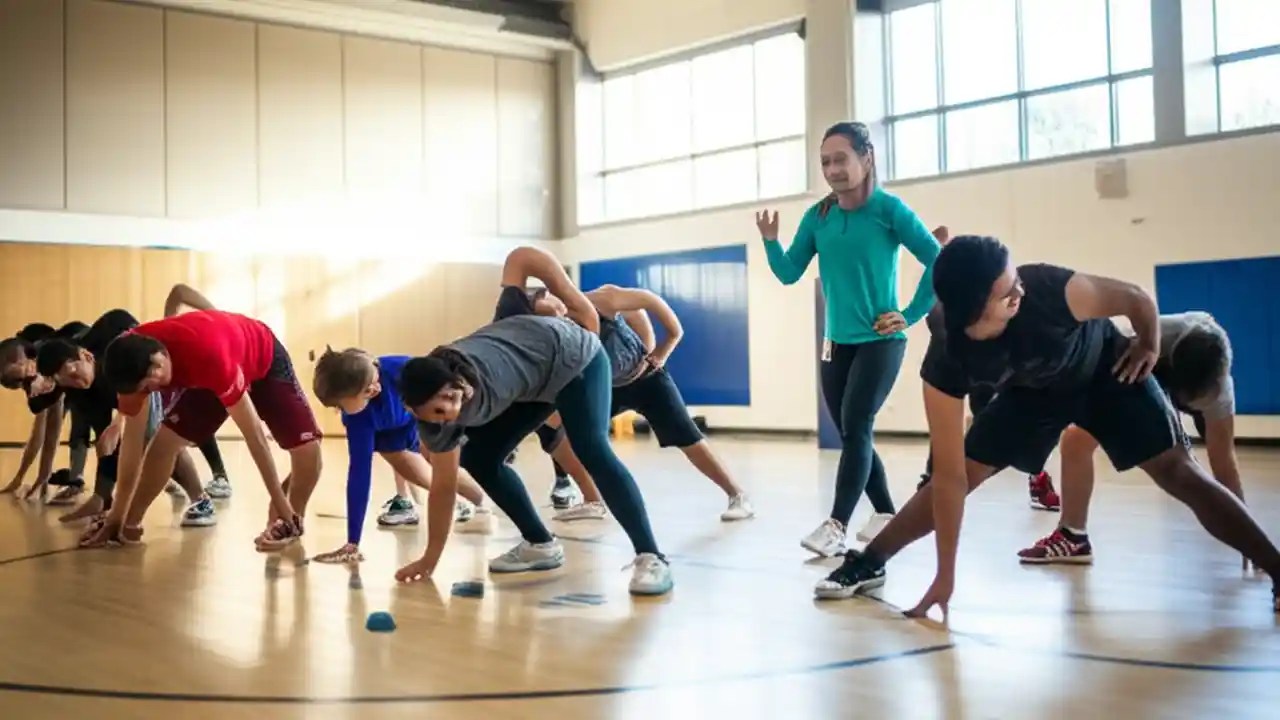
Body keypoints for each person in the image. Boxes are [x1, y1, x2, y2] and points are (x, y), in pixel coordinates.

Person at [814, 235, 1280, 616]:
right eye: (1006, 293)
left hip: (1104, 370)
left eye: (1016, 281)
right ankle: (869, 561)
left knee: (1181, 473)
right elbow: (950, 481)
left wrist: (1150, 347)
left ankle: (1277, 569)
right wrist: (945, 574)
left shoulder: (1052, 290)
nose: (1020, 292)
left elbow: (1135, 298)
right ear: (973, 310)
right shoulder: (947, 362)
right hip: (1032, 397)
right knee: (954, 478)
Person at [755, 121, 941, 555]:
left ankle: (837, 525)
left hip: (880, 342)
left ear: (867, 158)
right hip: (835, 344)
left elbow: (938, 259)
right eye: (825, 162)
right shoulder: (818, 217)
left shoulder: (889, 211)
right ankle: (885, 514)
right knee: (852, 431)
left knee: (857, 425)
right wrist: (769, 243)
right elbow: (788, 273)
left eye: (841, 159)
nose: (833, 169)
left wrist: (910, 315)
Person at [393, 312, 673, 596]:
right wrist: (430, 559)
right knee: (479, 458)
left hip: (574, 355)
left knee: (591, 447)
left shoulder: (488, 376)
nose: (450, 414)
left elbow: (551, 425)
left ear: (459, 384)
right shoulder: (434, 417)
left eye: (453, 399)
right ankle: (540, 545)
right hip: (534, 377)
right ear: (411, 409)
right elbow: (443, 486)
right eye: (437, 412)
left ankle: (651, 557)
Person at [496, 246, 754, 522]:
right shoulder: (552, 332)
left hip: (647, 381)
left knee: (687, 438)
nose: (550, 320)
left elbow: (650, 305)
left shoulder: (602, 299)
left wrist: (658, 351)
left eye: (546, 310)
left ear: (552, 296)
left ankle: (737, 494)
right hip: (609, 387)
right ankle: (592, 499)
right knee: (560, 429)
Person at [84, 308, 322, 550]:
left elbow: (255, 437)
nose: (152, 389)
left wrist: (280, 503)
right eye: (145, 389)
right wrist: (117, 514)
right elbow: (132, 445)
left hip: (263, 358)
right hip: (204, 375)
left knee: (307, 449)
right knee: (162, 447)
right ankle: (128, 526)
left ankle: (291, 518)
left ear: (157, 361)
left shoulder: (210, 357)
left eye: (151, 383)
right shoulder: (125, 363)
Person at [1018, 311, 1243, 564]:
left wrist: (1248, 539)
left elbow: (1224, 462)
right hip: (1140, 362)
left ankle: (1249, 540)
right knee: (1074, 440)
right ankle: (1073, 537)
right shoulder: (1136, 340)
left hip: (1180, 370)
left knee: (1209, 460)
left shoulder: (1219, 391)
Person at [35, 298, 233, 524]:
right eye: (69, 382)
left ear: (86, 356)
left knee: (161, 438)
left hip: (154, 384)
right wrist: (101, 497)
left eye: (75, 374)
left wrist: (120, 421)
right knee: (128, 445)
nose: (78, 382)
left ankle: (201, 500)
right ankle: (123, 503)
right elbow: (107, 444)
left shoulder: (117, 361)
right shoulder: (83, 395)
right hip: (139, 397)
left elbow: (134, 413)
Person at [310, 348, 492, 564]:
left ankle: (481, 502)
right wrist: (352, 542)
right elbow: (359, 473)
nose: (338, 410)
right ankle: (449, 500)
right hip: (390, 426)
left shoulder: (405, 370)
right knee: (410, 467)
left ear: (370, 389)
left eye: (339, 405)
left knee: (440, 463)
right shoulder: (357, 419)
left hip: (422, 413)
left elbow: (448, 387)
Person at [917, 305, 1062, 512]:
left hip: (986, 352)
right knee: (945, 423)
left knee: (995, 418)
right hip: (950, 351)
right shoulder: (943, 312)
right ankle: (930, 482)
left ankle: (1036, 476)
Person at [0, 322, 87, 500]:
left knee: (78, 428)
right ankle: (42, 480)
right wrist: (20, 477)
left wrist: (41, 477)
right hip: (65, 364)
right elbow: (39, 432)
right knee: (48, 423)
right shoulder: (31, 376)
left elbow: (51, 432)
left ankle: (74, 481)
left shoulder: (49, 363)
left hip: (80, 367)